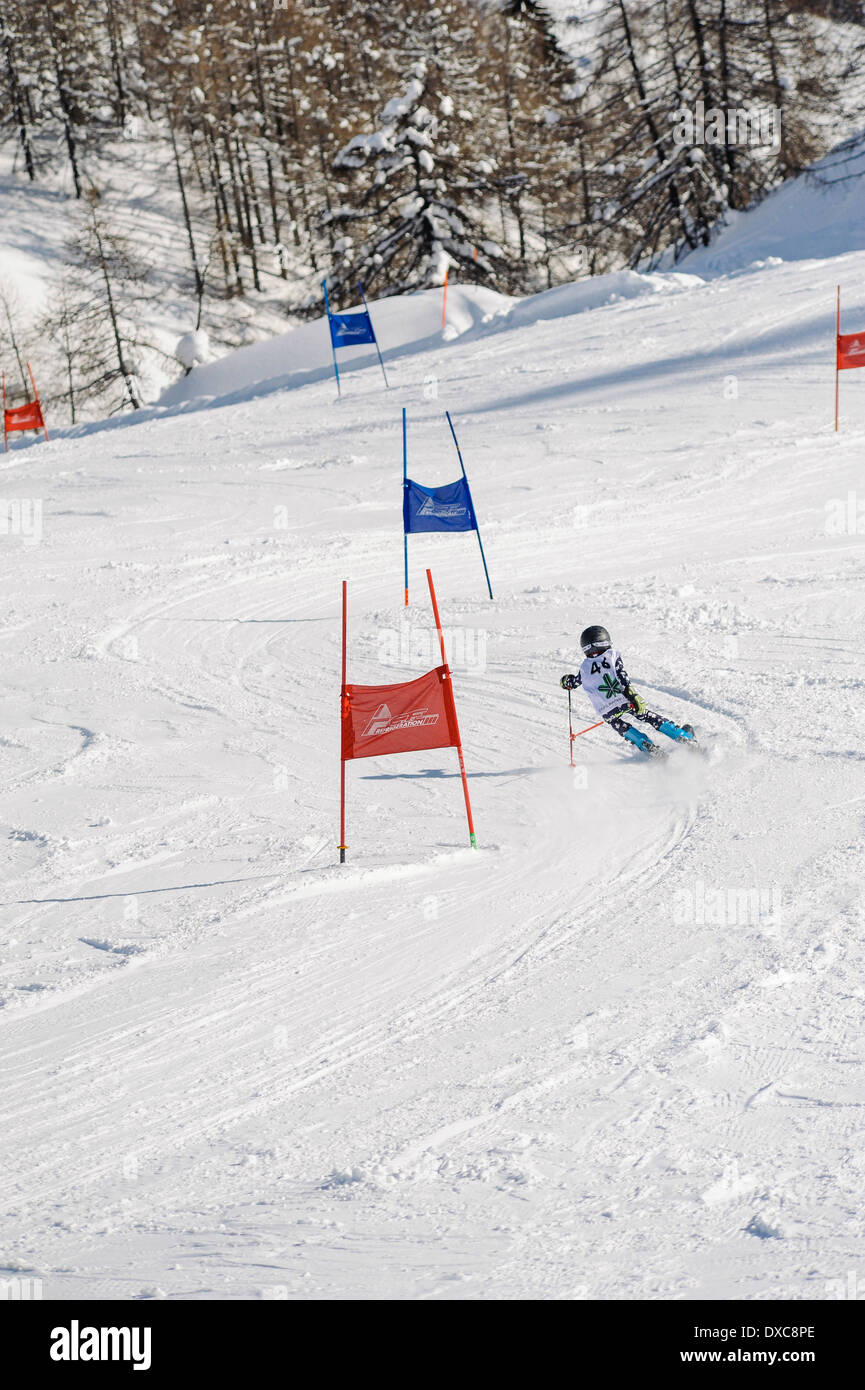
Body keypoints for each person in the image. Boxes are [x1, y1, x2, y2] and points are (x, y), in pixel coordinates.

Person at [560, 625, 697, 757]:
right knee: (647, 716)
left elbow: (574, 683)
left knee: (620, 725)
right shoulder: (611, 656)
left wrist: (567, 681)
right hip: (624, 700)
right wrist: (632, 696)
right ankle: (682, 737)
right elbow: (621, 676)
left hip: (605, 709)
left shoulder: (584, 667)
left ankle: (646, 746)